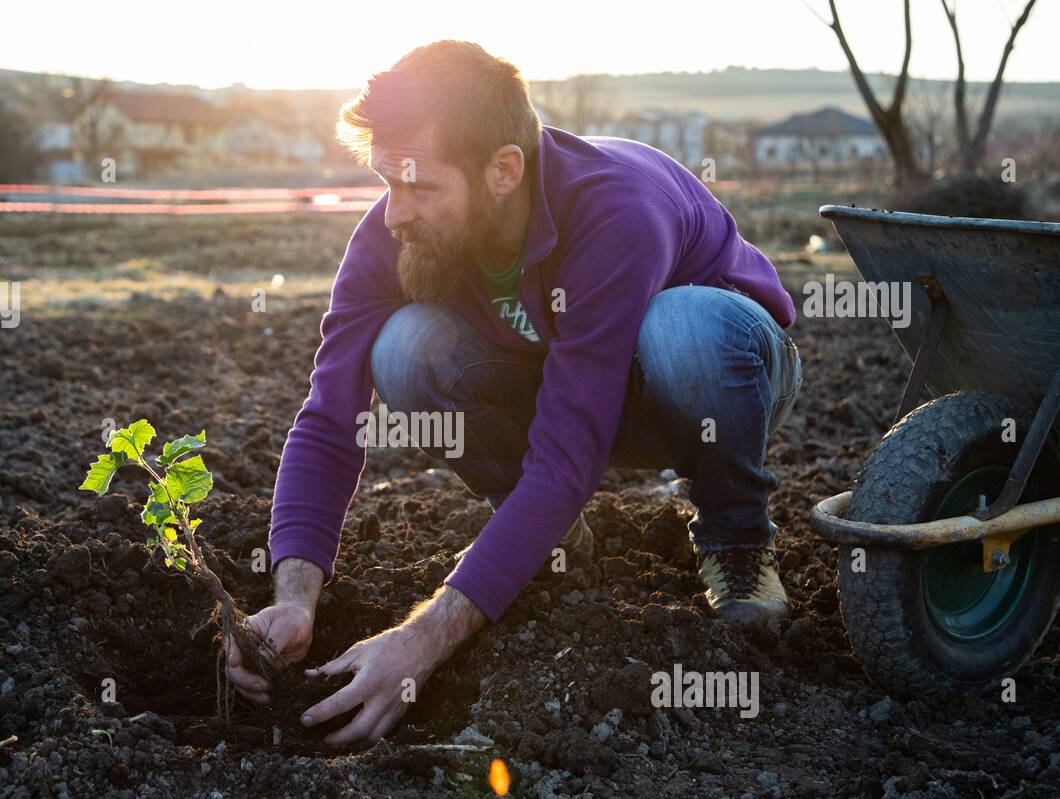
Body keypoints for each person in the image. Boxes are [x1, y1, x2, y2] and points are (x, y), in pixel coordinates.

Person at [228, 40, 802, 746]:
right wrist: (293, 597)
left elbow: (568, 456)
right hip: (570, 387)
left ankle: (737, 538)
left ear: (504, 170)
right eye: (387, 181)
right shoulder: (394, 229)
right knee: (405, 349)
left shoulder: (614, 209)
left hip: (714, 382)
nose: (395, 214)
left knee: (684, 328)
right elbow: (327, 419)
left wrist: (424, 638)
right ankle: (546, 537)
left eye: (421, 186)